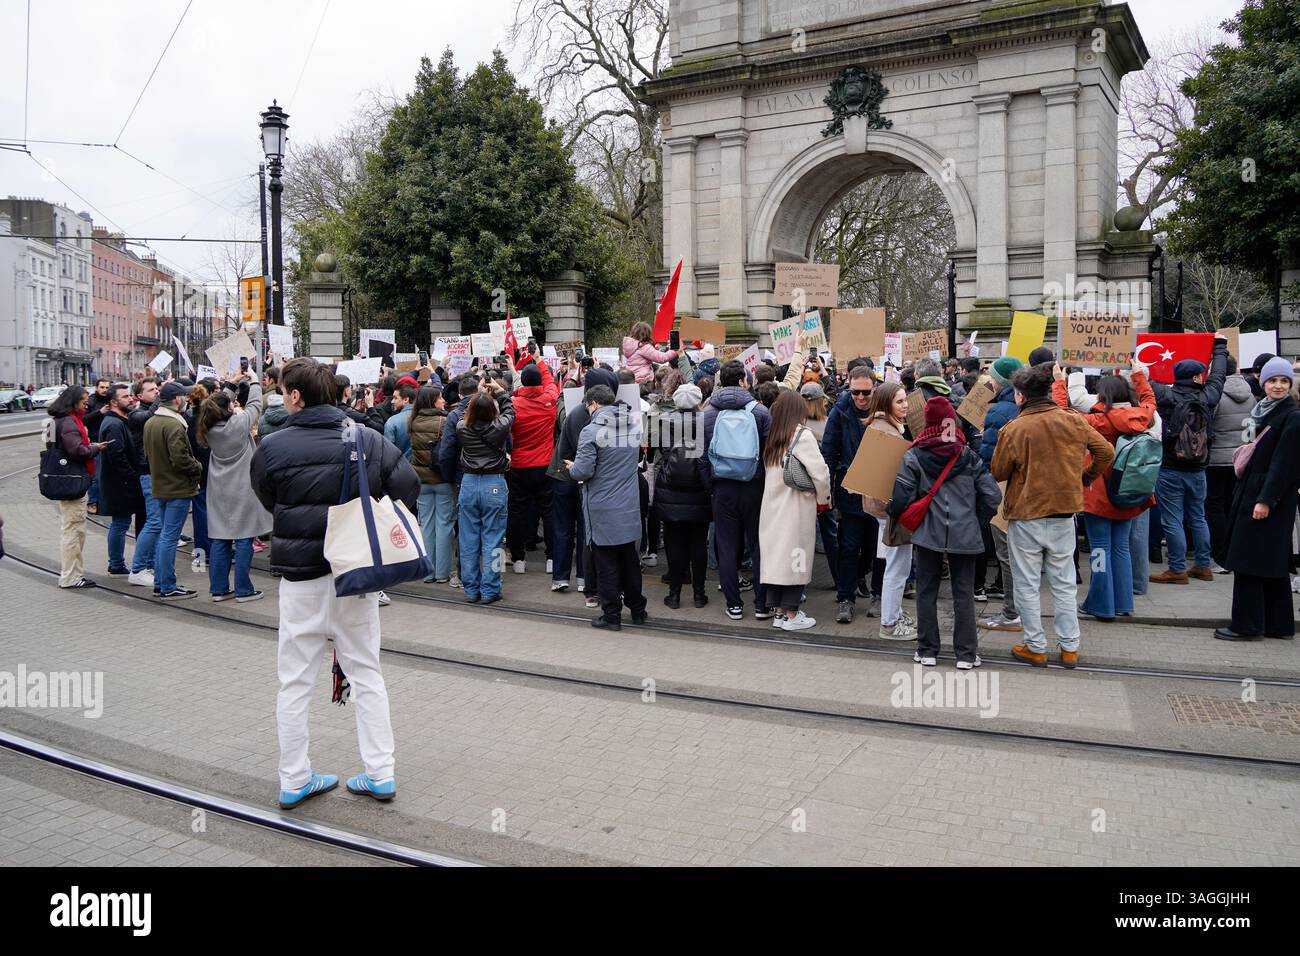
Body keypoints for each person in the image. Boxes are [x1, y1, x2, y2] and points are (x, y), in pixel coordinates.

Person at [251, 357, 419, 808]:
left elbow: (267, 495)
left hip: (301, 578)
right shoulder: (365, 438)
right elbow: (409, 485)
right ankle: (380, 773)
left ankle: (294, 778)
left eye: (283, 390)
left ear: (296, 397)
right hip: (354, 575)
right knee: (366, 671)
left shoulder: (272, 445)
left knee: (294, 680)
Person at [991, 364, 1114, 668]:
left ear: (1020, 396)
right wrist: (1084, 478)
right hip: (1064, 511)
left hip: (1026, 512)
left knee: (1027, 583)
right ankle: (1070, 647)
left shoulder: (1014, 428)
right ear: (1048, 392)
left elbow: (998, 471)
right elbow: (1106, 452)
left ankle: (1036, 646)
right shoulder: (1073, 421)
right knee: (1064, 582)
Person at [889, 396, 1001, 667]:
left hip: (928, 533)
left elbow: (901, 497)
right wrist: (976, 520)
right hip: (965, 532)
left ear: (928, 423)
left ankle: (927, 651)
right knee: (963, 593)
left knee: (926, 591)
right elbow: (993, 496)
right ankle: (966, 654)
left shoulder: (914, 455)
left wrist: (900, 513)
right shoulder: (968, 455)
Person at [1052, 358, 1156, 621]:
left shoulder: (1097, 421)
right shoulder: (1141, 416)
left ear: (1103, 395)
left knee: (1099, 548)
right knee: (1121, 547)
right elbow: (1149, 401)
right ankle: (1123, 603)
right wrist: (1139, 375)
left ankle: (1101, 603)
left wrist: (1059, 383)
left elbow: (1062, 414)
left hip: (1099, 492)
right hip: (1131, 491)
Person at [1215, 358, 1300, 641]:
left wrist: (1265, 500)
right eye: (1273, 380)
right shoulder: (1262, 411)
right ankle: (1279, 624)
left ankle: (1247, 625)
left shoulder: (1291, 416)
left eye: (1283, 381)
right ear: (1263, 382)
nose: (1277, 385)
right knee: (1272, 561)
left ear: (1290, 385)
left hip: (1267, 499)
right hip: (1257, 494)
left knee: (1249, 559)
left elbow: (1284, 465)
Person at [567, 384, 647, 630]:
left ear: (593, 404)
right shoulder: (633, 425)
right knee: (630, 561)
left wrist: (571, 467)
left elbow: (583, 470)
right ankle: (637, 610)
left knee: (606, 564)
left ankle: (612, 615)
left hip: (602, 507)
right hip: (628, 505)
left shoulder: (591, 431)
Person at [1150, 337, 1228, 584]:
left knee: (1172, 519)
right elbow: (1219, 375)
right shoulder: (1208, 397)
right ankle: (1203, 566)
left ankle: (1177, 568)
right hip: (1199, 469)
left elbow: (1142, 381)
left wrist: (1130, 360)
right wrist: (1220, 348)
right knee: (1198, 517)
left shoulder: (1165, 395)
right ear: (1196, 378)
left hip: (1170, 468)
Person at [702, 358, 773, 621]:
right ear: (744, 380)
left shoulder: (708, 413)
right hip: (755, 486)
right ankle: (762, 604)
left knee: (727, 545)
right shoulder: (761, 412)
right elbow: (770, 453)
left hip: (722, 487)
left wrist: (710, 484)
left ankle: (733, 603)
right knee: (758, 544)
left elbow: (700, 457)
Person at [758, 390, 831, 630]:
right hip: (796, 507)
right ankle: (791, 613)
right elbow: (819, 473)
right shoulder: (802, 436)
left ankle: (779, 611)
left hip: (772, 508)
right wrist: (824, 499)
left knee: (778, 558)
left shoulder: (773, 436)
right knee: (797, 558)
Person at [198, 379, 271, 603]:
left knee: (221, 538)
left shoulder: (208, 428)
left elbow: (213, 405)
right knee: (243, 539)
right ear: (228, 408)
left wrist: (231, 385)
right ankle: (243, 590)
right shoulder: (238, 426)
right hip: (242, 489)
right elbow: (256, 404)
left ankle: (218, 589)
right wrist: (255, 381)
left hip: (219, 490)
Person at [552, 367, 619, 600]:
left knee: (562, 529)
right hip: (589, 480)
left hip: (564, 476)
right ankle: (584, 579)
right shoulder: (610, 417)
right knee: (586, 532)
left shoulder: (574, 412)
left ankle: (560, 578)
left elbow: (563, 448)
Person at [821, 363, 879, 623]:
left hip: (879, 489)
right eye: (856, 392)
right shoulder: (840, 411)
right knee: (848, 546)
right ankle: (846, 598)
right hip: (850, 489)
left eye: (866, 392)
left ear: (874, 388)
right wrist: (828, 490)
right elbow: (830, 451)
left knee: (876, 547)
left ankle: (878, 594)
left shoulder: (884, 407)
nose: (861, 398)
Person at [861, 383, 916, 639]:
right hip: (891, 511)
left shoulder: (879, 427)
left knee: (894, 565)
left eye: (905, 400)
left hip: (880, 509)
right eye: (899, 401)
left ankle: (892, 614)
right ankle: (890, 623)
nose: (905, 405)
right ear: (886, 405)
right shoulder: (889, 433)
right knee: (898, 568)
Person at [456, 376, 514, 605]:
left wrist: (475, 394)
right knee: (495, 539)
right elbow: (510, 411)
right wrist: (499, 391)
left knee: (468, 539)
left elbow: (462, 413)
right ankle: (491, 588)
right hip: (494, 484)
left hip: (469, 483)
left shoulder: (462, 427)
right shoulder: (499, 428)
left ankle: (471, 588)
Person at [143, 382, 204, 600]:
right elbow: (180, 459)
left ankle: (161, 583)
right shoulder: (174, 425)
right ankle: (168, 585)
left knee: (164, 537)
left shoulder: (152, 422)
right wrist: (198, 467)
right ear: (177, 399)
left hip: (160, 485)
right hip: (177, 487)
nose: (186, 401)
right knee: (169, 537)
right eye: (184, 397)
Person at [654, 382, 712, 609]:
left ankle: (674, 594)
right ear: (698, 401)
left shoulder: (665, 421)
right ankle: (699, 594)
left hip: (671, 491)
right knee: (699, 544)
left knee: (674, 544)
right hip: (699, 490)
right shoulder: (706, 422)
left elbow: (661, 453)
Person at [45, 385, 106, 588]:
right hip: (73, 481)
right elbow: (77, 451)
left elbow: (51, 446)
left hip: (62, 479)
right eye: (83, 402)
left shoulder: (56, 421)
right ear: (73, 402)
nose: (86, 406)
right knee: (74, 529)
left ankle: (71, 574)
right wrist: (95, 448)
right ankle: (71, 576)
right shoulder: (70, 422)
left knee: (71, 527)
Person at [507, 355, 559, 575]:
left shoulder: (513, 404)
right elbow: (551, 384)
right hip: (544, 465)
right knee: (549, 513)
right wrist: (538, 359)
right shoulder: (549, 401)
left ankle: (518, 559)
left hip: (519, 465)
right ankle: (552, 559)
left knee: (517, 512)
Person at [1206, 354, 1256, 569]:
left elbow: (1208, 424)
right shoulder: (1251, 394)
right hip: (1242, 459)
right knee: (1232, 505)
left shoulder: (1216, 395)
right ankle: (1235, 550)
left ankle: (1220, 554)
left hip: (1217, 459)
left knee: (1215, 506)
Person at [408, 386, 455, 584]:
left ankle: (427, 571)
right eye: (439, 398)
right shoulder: (445, 421)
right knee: (444, 525)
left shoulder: (413, 421)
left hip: (422, 480)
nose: (443, 400)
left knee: (425, 525)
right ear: (432, 401)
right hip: (442, 480)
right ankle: (442, 573)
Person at [96, 383, 143, 577]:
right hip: (119, 483)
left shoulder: (120, 420)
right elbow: (118, 456)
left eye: (130, 396)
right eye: (125, 397)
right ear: (114, 402)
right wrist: (132, 476)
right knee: (120, 523)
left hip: (121, 482)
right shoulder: (114, 424)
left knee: (121, 523)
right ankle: (115, 564)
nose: (130, 399)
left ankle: (116, 562)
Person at [127, 377, 161, 586]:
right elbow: (149, 416)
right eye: (151, 390)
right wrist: (164, 394)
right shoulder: (135, 415)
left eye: (157, 389)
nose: (156, 392)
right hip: (146, 472)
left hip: (156, 472)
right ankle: (138, 568)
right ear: (139, 396)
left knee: (158, 523)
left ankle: (150, 565)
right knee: (154, 522)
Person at [83, 379, 112, 514]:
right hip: (96, 441)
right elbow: (84, 420)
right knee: (95, 475)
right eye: (102, 387)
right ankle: (92, 502)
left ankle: (106, 500)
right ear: (96, 388)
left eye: (107, 387)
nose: (104, 390)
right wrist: (99, 412)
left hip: (111, 440)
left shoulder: (112, 399)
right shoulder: (91, 401)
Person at [621, 321, 678, 385]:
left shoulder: (631, 345)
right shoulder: (643, 347)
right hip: (643, 381)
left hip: (632, 377)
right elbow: (661, 358)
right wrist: (675, 351)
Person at [382, 383, 417, 460]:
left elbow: (388, 453)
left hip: (401, 468)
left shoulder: (392, 422)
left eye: (395, 398)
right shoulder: (424, 417)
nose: (392, 401)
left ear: (405, 400)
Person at [259, 366, 290, 439]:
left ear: (271, 380)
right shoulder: (288, 396)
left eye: (266, 377)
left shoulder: (264, 398)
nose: (265, 380)